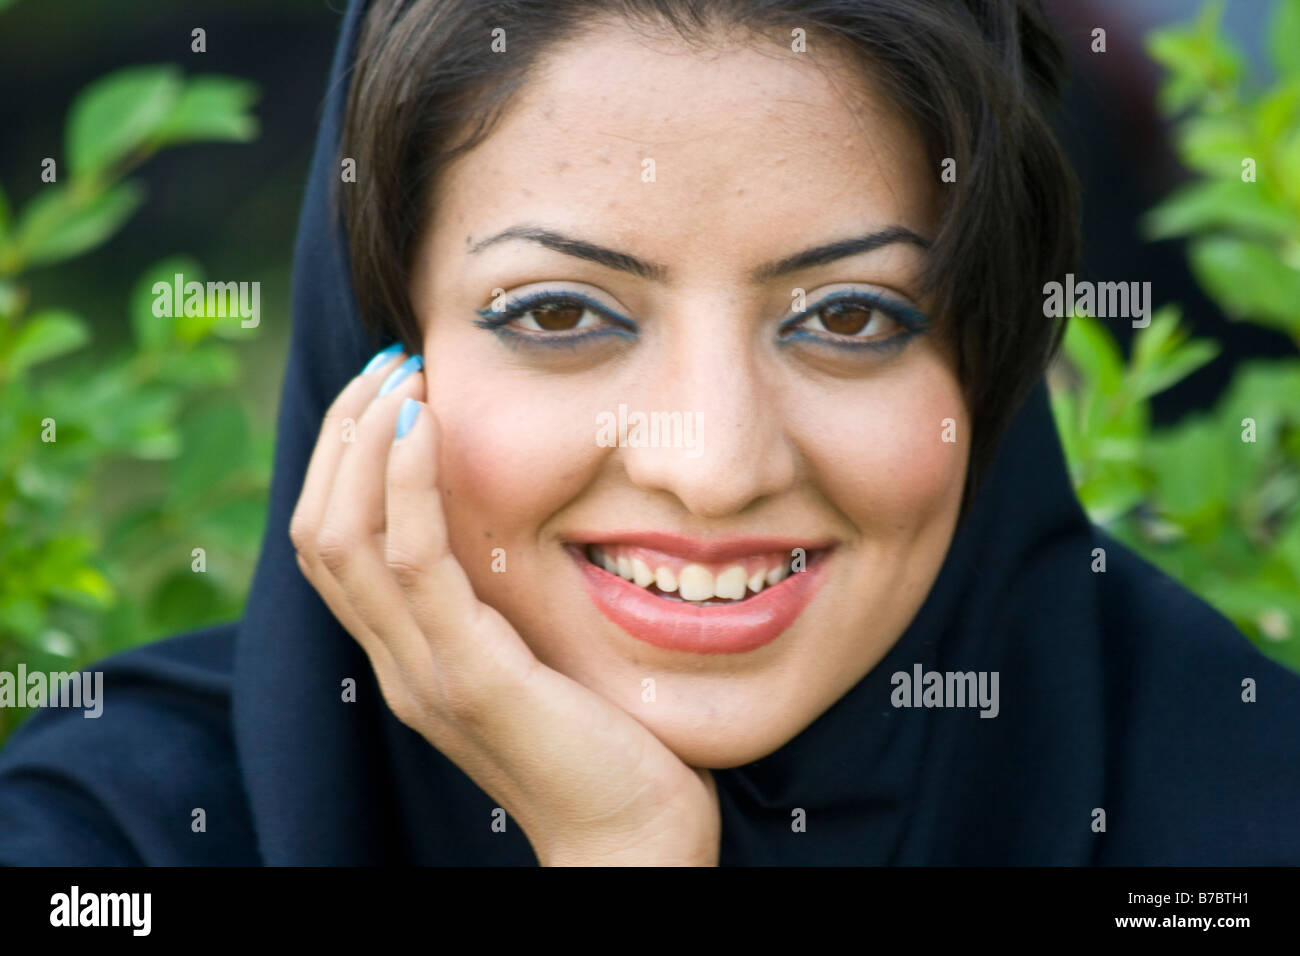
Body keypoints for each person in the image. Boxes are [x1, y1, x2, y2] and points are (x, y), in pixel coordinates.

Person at [1, 0, 1297, 866]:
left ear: (993, 355)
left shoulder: (1237, 818)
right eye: (560, 312)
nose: (715, 464)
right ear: (378, 344)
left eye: (850, 316)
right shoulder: (108, 840)